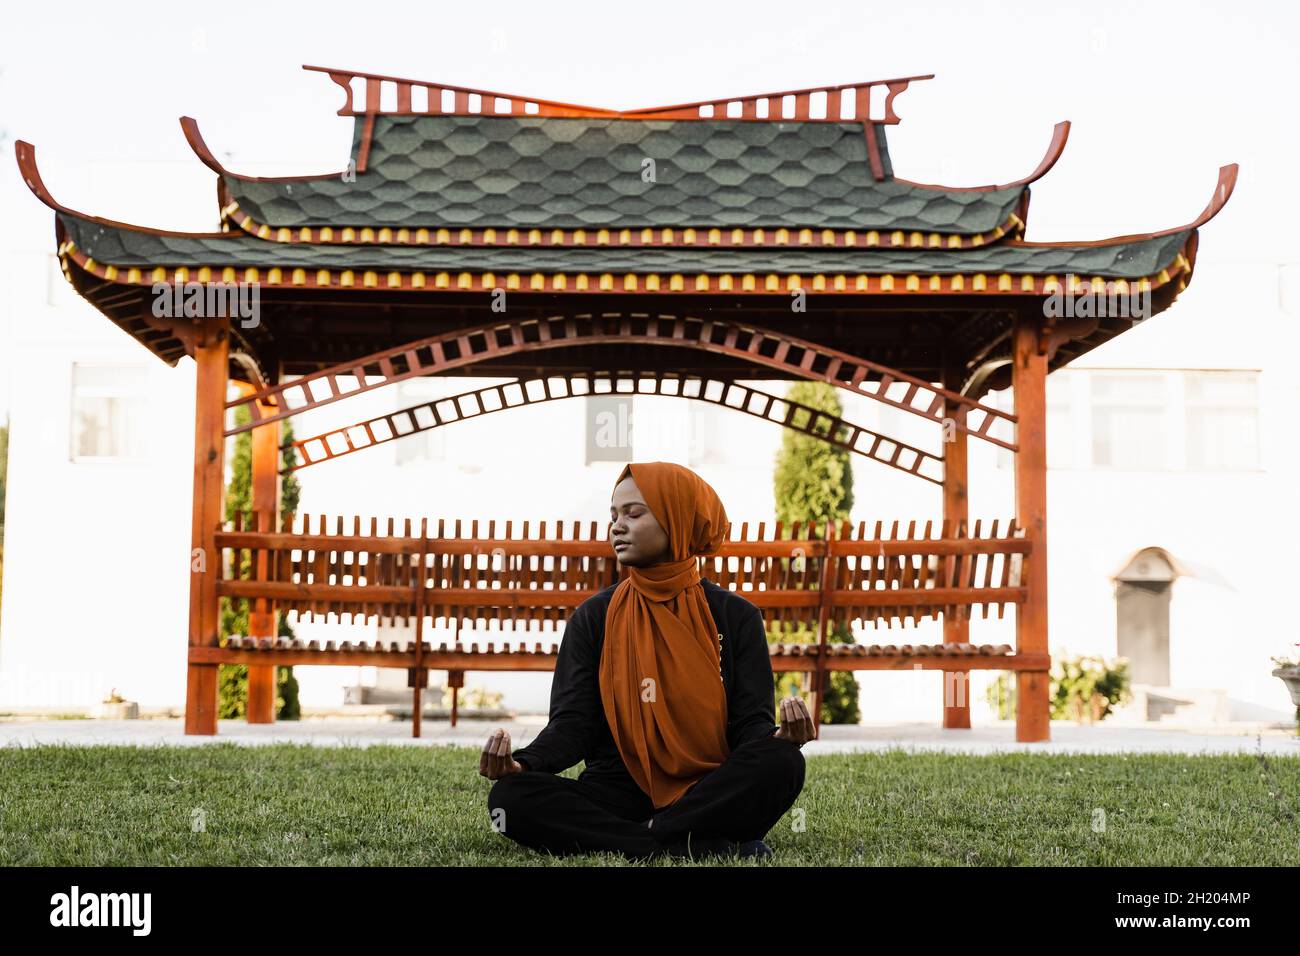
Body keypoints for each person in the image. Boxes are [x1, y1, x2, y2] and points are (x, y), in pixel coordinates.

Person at [482, 460, 815, 861]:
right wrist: (523, 765)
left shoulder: (735, 615)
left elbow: (750, 723)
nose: (617, 527)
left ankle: (653, 833)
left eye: (634, 513)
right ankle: (685, 841)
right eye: (614, 516)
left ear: (676, 519)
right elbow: (573, 724)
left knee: (782, 762)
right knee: (511, 798)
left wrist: (779, 739)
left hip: (706, 788)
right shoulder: (595, 616)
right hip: (615, 790)